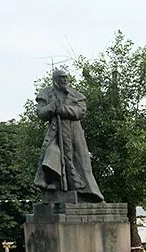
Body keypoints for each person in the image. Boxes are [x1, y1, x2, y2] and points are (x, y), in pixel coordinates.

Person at [34, 69, 103, 202]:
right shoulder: (46, 93)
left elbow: (81, 112)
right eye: (61, 78)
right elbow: (41, 112)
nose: (65, 80)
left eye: (66, 78)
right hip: (55, 131)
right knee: (51, 153)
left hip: (74, 133)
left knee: (78, 162)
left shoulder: (76, 95)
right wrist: (51, 107)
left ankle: (86, 193)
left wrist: (63, 109)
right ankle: (55, 182)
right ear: (55, 79)